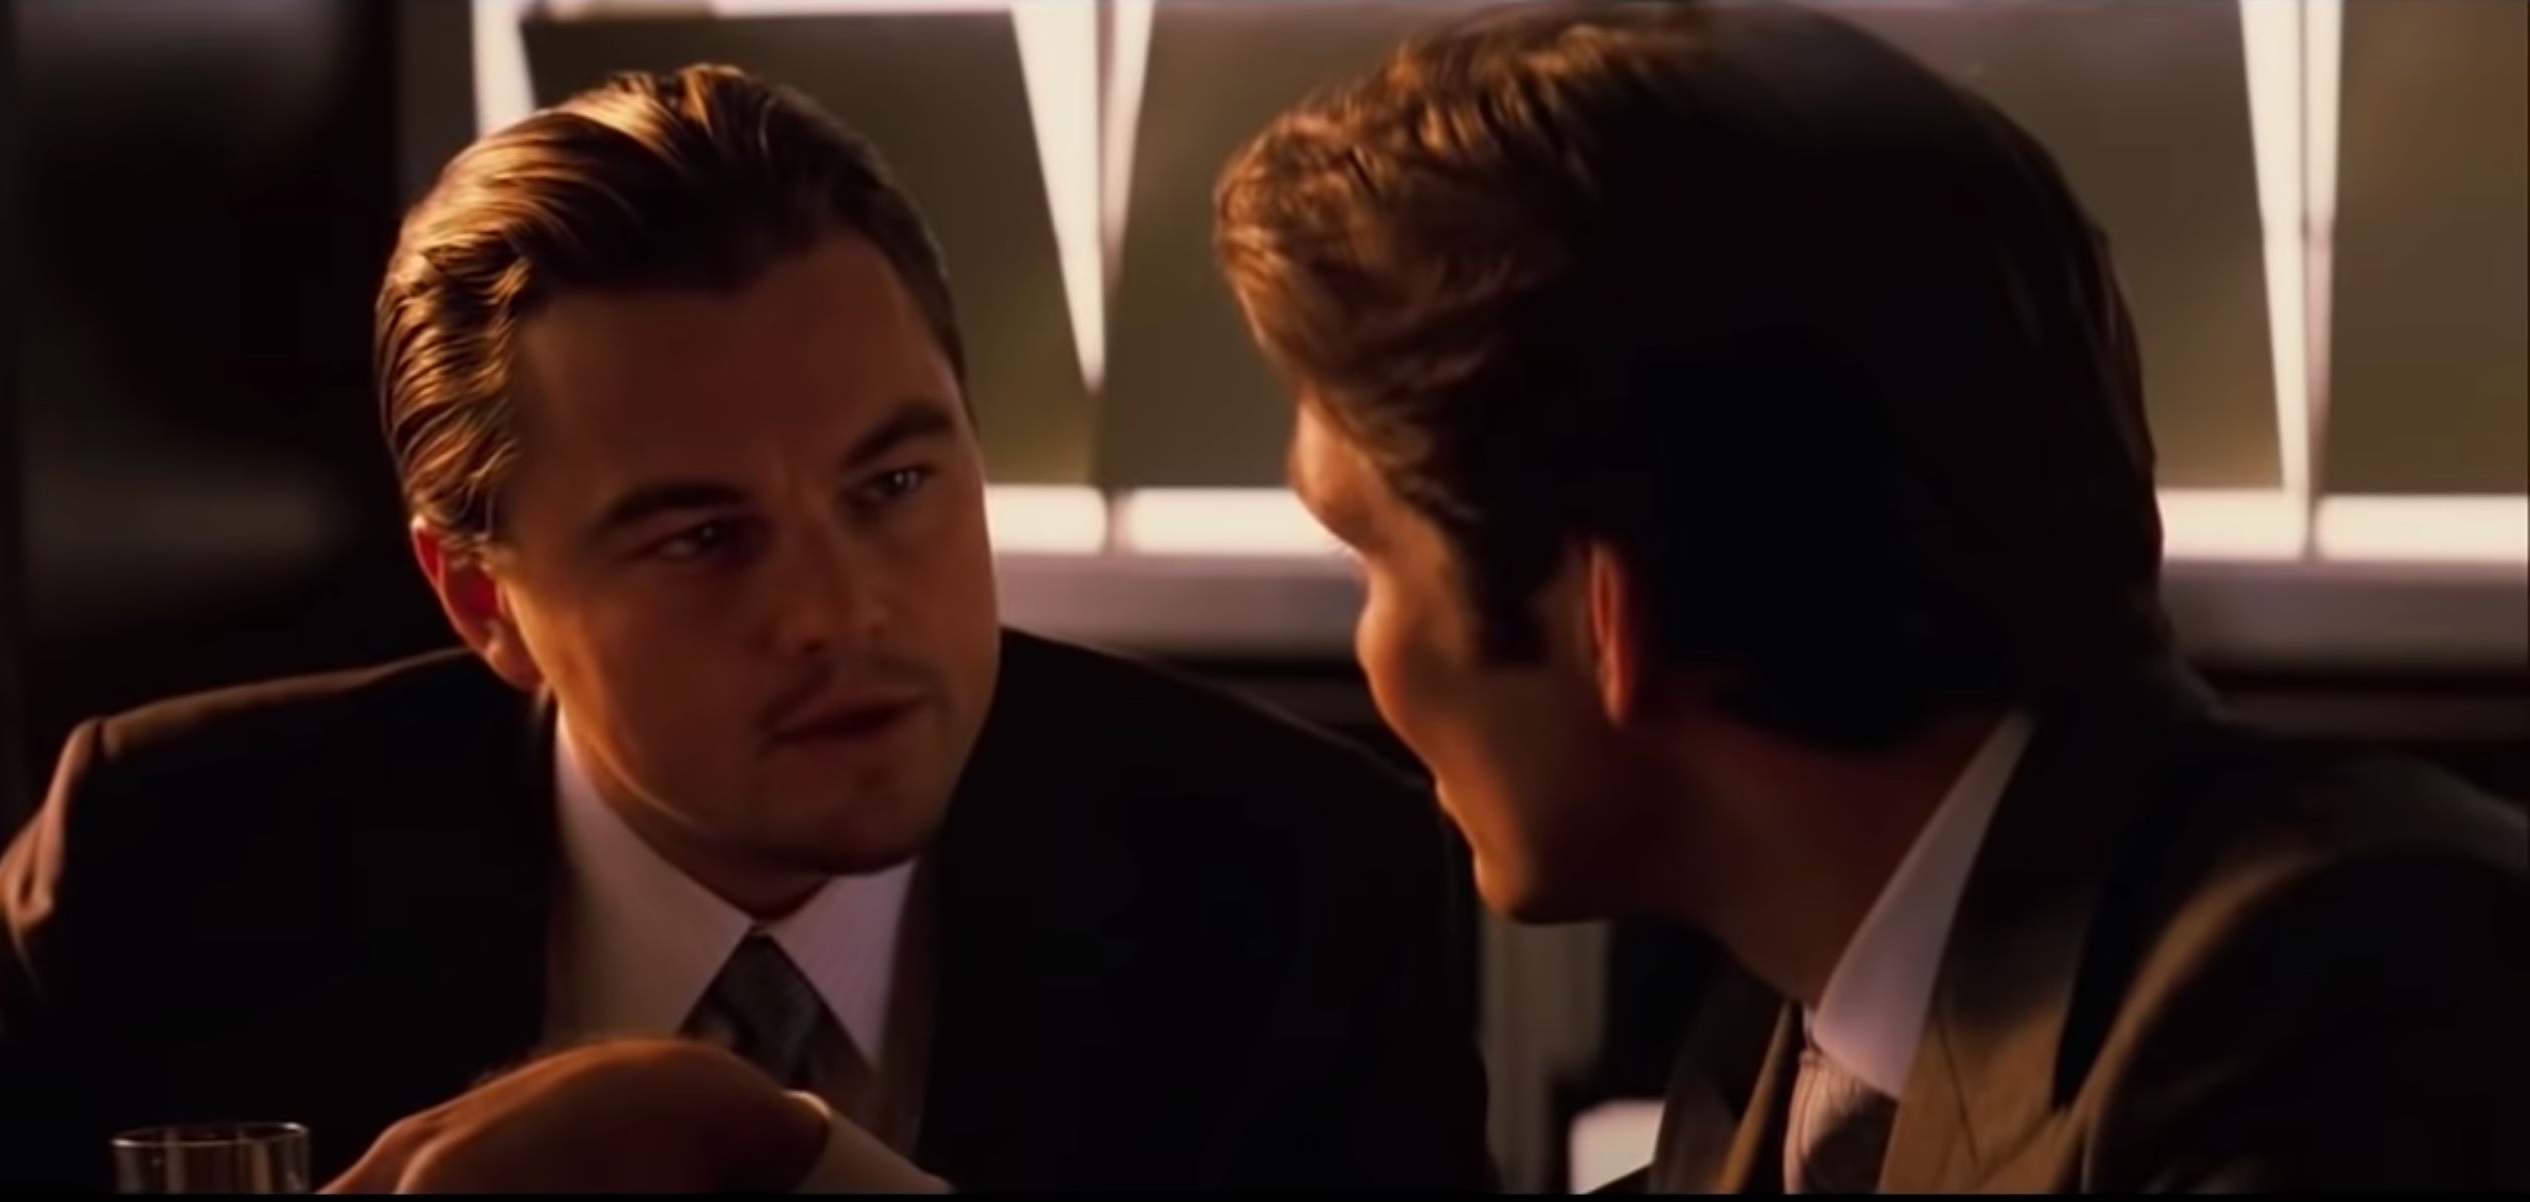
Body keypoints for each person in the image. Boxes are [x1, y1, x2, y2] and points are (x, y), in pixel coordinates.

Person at [317, 2, 2530, 1194]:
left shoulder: (2342, 997)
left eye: (1363, 550)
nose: (1364, 663)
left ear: (1605, 613)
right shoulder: (1796, 1052)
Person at [0, 65, 1496, 1193]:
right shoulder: (192, 844)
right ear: (485, 600)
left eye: (894, 482)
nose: (840, 607)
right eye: (701, 536)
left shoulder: (1288, 879)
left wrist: (782, 1161)